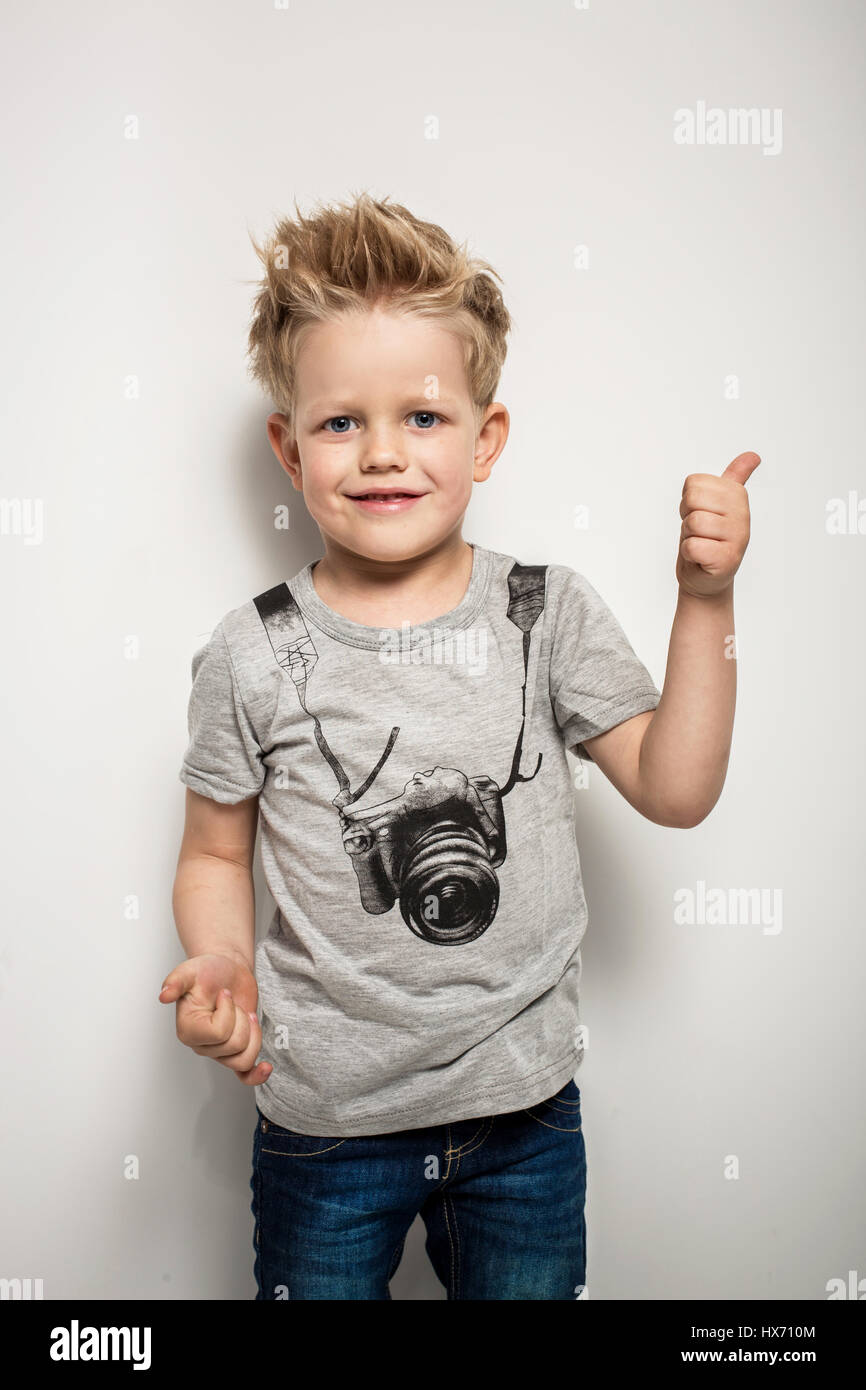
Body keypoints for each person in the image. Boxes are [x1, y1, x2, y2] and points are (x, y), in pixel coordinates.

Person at [159, 190, 759, 1300]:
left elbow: (675, 792)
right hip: (325, 1123)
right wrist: (226, 960)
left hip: (523, 1112)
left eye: (423, 417)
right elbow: (210, 852)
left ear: (485, 439)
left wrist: (706, 602)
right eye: (341, 422)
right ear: (289, 450)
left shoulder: (546, 613)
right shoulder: (252, 652)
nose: (382, 453)